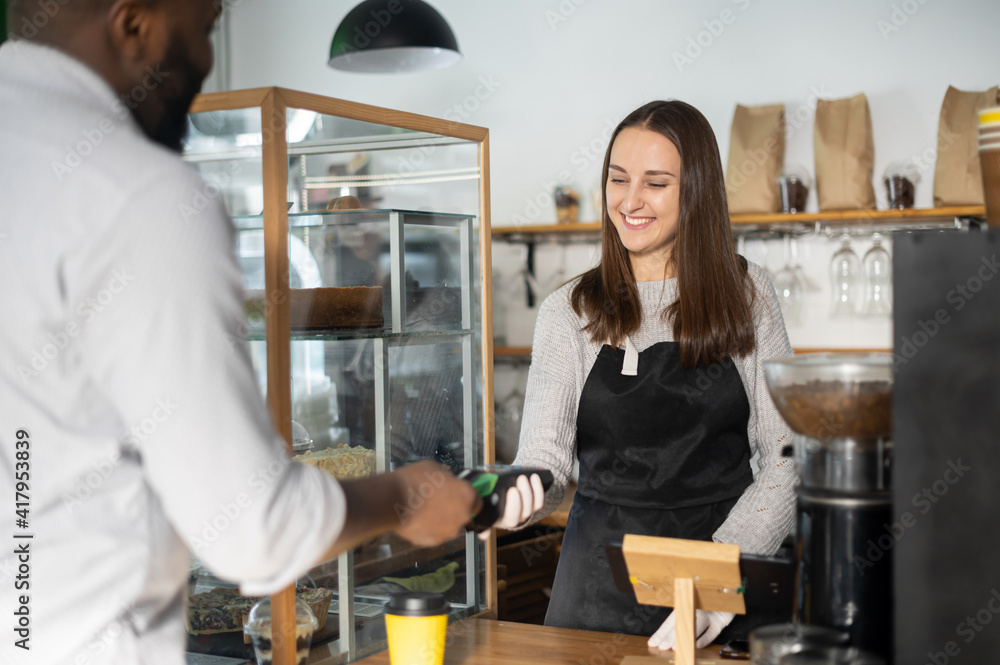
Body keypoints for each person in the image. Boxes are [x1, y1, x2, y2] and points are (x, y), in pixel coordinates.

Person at [0, 2, 480, 664]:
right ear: (133, 21)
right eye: (203, 28)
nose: (205, 60)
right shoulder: (139, 196)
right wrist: (403, 494)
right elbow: (249, 525)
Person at [500, 100, 797, 649]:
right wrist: (511, 497)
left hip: (720, 581)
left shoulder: (748, 294)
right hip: (596, 590)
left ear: (698, 191)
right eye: (618, 179)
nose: (629, 201)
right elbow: (544, 461)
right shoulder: (569, 311)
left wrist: (713, 579)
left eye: (655, 183)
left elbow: (787, 455)